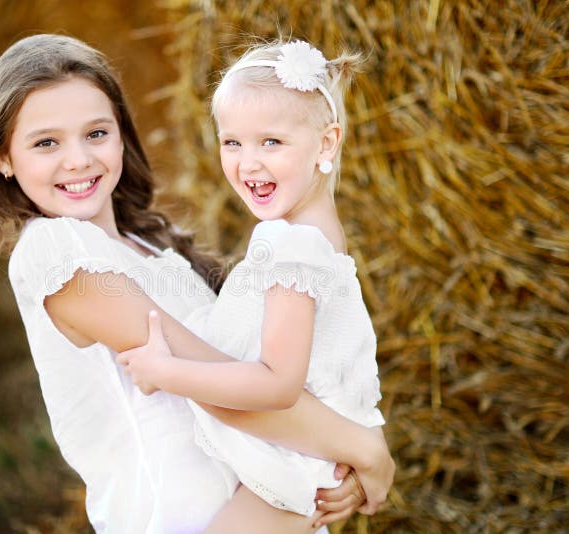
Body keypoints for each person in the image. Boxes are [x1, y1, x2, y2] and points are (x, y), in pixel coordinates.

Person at [0, 33, 394, 533]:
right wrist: (363, 448)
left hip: (258, 502)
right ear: (2, 157)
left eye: (96, 133)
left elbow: (257, 373)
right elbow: (223, 385)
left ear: (121, 135)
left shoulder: (153, 248)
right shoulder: (56, 254)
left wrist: (325, 473)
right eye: (46, 142)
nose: (78, 160)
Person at [118, 40, 384, 531]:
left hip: (288, 467)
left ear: (326, 144)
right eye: (231, 142)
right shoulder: (314, 235)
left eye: (271, 142)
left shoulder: (295, 248)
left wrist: (166, 371)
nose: (248, 162)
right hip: (302, 457)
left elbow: (277, 383)